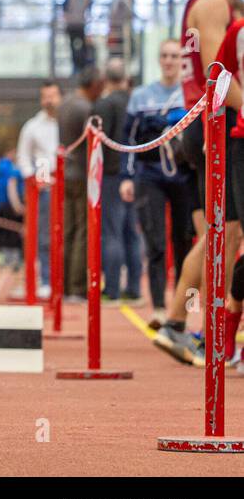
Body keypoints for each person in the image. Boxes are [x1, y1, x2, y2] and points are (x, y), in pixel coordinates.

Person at [153, 0, 244, 364]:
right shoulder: (214, 4)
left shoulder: (216, 5)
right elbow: (218, 74)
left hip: (211, 124)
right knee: (221, 234)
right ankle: (194, 329)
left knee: (223, 233)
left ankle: (189, 327)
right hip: (212, 124)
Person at [121, 39, 193, 323]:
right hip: (149, 175)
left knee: (184, 241)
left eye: (174, 56)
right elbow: (128, 138)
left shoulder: (192, 94)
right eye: (164, 55)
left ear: (182, 60)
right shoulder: (141, 96)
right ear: (158, 59)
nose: (169, 61)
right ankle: (159, 309)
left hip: (184, 176)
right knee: (155, 243)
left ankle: (180, 311)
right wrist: (127, 177)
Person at [93, 59, 141, 303]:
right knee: (132, 232)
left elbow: (99, 143)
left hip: (112, 175)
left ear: (105, 77)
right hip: (135, 174)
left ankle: (111, 289)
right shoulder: (137, 101)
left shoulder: (104, 104)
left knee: (112, 233)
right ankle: (134, 288)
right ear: (126, 77)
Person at [58, 67, 105, 300]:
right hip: (81, 175)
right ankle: (76, 288)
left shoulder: (65, 103)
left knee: (68, 230)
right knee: (82, 231)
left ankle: (63, 285)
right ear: (94, 85)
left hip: (66, 173)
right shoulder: (86, 109)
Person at [15, 80, 61, 293]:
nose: (49, 100)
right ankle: (46, 279)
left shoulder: (70, 121)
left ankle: (69, 281)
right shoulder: (32, 126)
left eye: (53, 95)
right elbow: (23, 157)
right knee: (45, 233)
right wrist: (33, 178)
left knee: (71, 232)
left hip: (70, 179)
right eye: (46, 96)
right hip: (44, 178)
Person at [0, 147, 24, 267]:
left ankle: (2, 257)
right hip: (7, 204)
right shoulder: (10, 166)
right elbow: (11, 185)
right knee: (10, 232)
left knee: (0, 232)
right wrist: (16, 204)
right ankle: (9, 258)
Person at [62, 0, 93, 75]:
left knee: (83, 48)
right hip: (72, 25)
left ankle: (82, 68)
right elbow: (65, 9)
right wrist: (66, 22)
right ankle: (75, 68)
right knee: (73, 47)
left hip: (81, 25)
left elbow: (90, 8)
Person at [107, 0, 135, 64]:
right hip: (117, 26)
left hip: (118, 26)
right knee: (117, 49)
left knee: (124, 49)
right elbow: (129, 12)